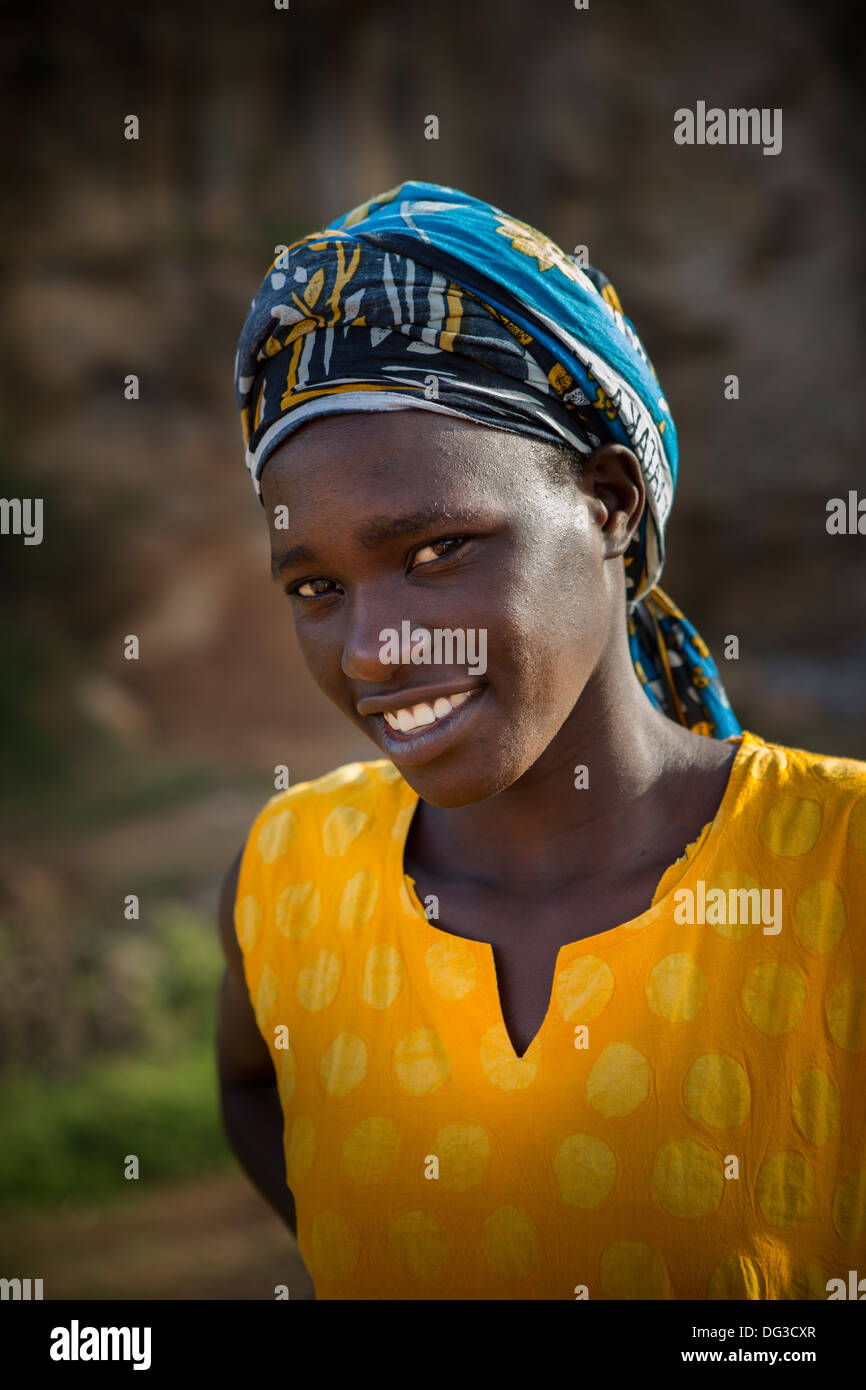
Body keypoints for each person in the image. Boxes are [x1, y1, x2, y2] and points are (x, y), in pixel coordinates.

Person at [217, 179, 866, 1301]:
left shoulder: (837, 869)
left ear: (608, 502)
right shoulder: (290, 872)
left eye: (435, 550)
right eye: (316, 585)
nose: (372, 649)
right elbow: (250, 1087)